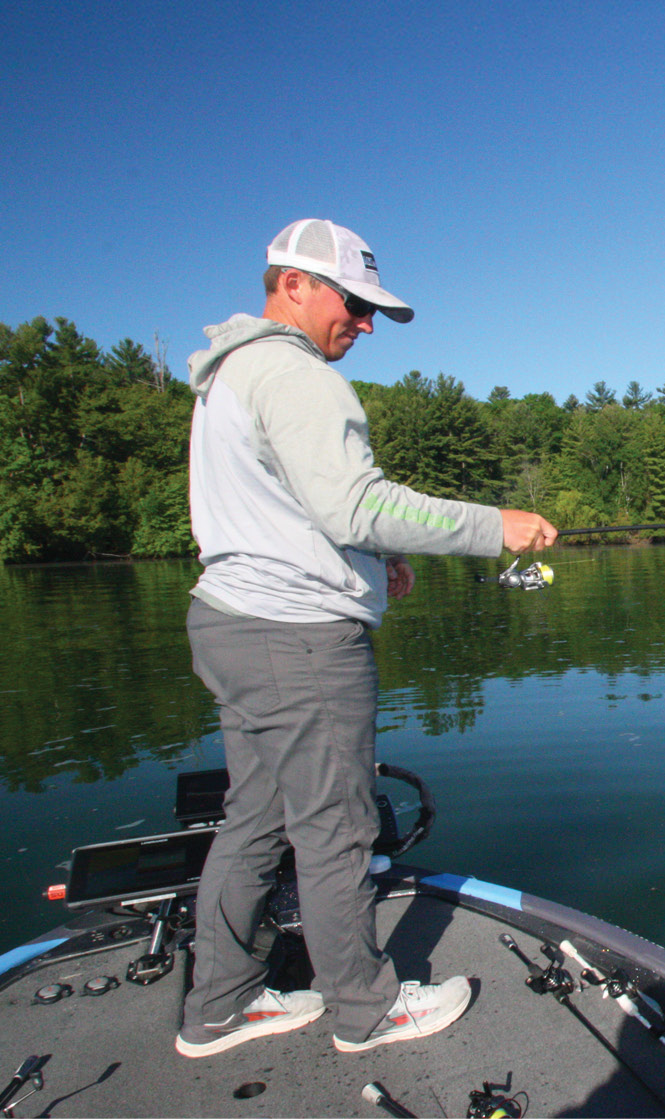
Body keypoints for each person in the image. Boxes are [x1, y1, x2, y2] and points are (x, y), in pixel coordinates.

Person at [175, 218, 556, 1058]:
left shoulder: (231, 374)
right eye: (355, 301)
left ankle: (219, 1007)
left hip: (234, 621)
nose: (366, 323)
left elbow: (288, 504)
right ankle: (365, 1007)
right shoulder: (294, 372)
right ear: (295, 284)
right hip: (297, 637)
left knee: (256, 817)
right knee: (335, 824)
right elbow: (354, 499)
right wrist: (496, 525)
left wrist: (372, 558)